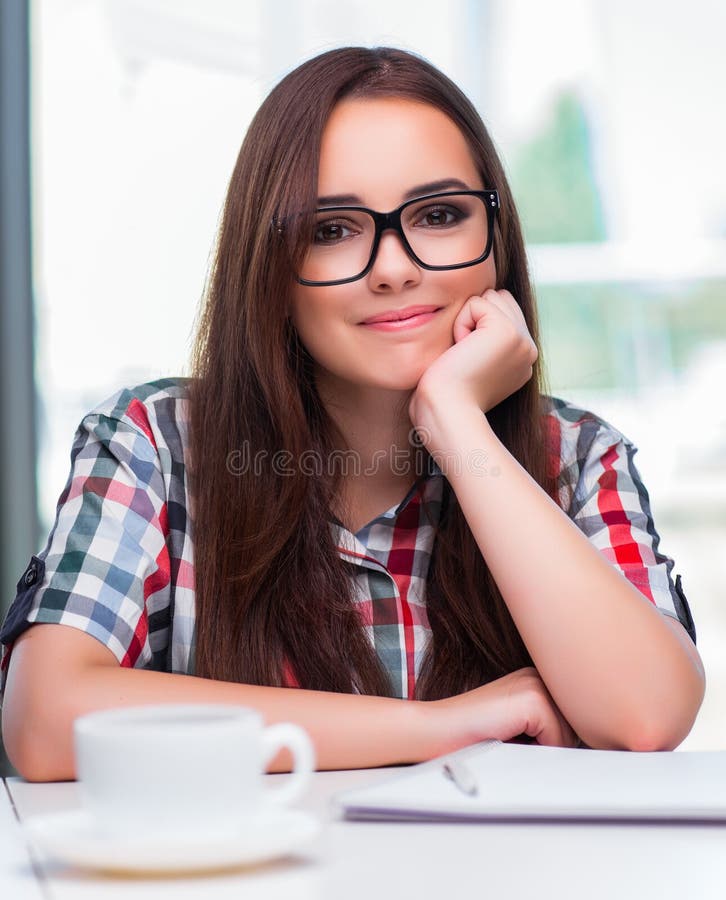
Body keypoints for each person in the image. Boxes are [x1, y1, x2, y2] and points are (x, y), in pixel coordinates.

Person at [0, 47, 704, 782]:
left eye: (439, 216)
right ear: (269, 266)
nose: (393, 268)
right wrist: (432, 727)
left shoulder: (578, 457)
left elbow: (644, 718)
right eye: (333, 229)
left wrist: (457, 422)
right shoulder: (155, 443)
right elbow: (47, 722)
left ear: (497, 240)